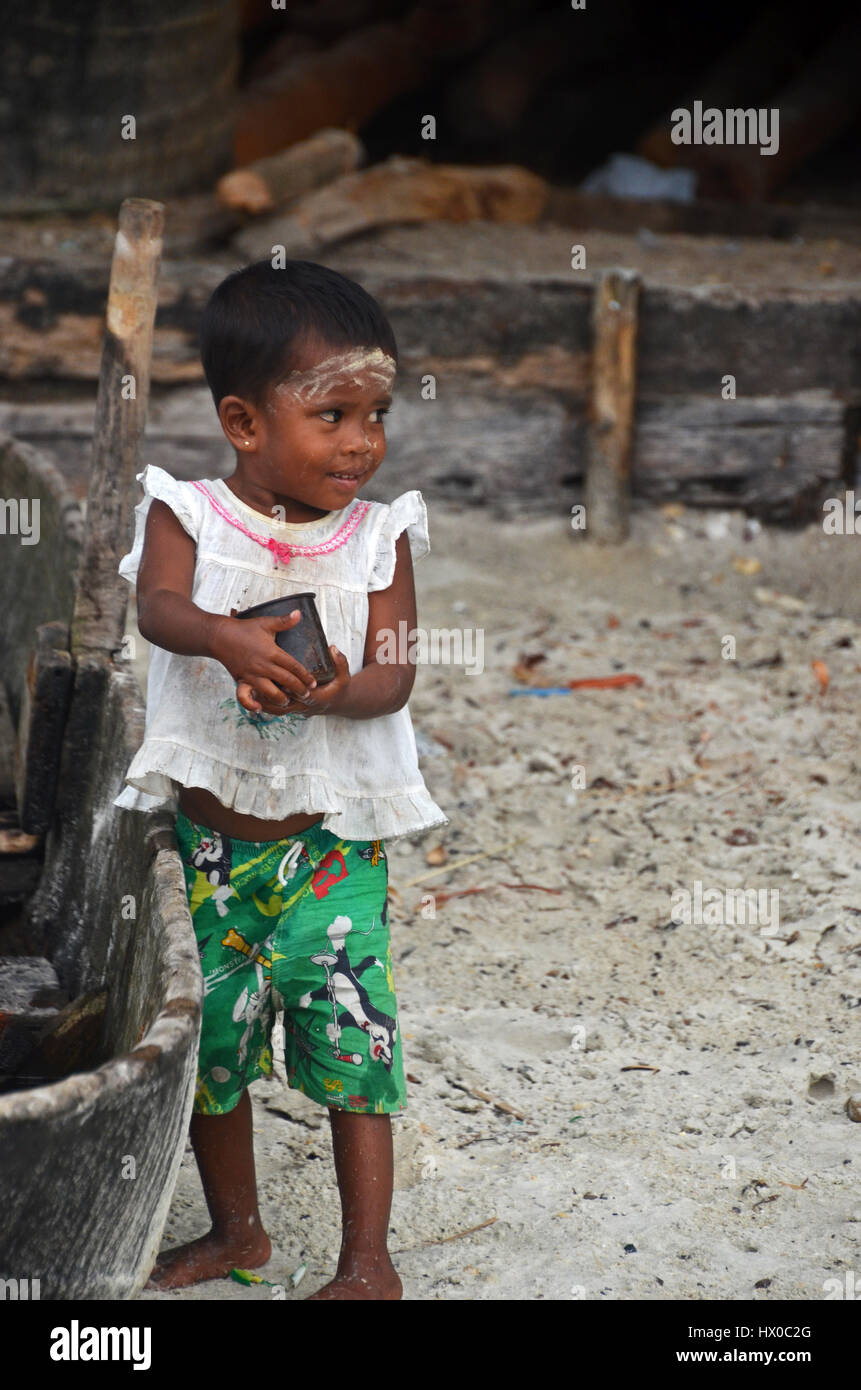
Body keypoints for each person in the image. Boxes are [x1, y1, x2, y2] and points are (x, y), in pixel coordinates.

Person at [113, 258, 448, 1300]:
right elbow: (158, 610)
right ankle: (240, 1232)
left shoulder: (378, 540)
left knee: (354, 1040)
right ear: (245, 423)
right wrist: (223, 636)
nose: (362, 441)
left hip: (329, 852)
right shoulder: (188, 515)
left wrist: (330, 693)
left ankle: (367, 1261)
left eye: (376, 414)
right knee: (209, 1041)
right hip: (210, 849)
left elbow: (393, 676)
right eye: (333, 412)